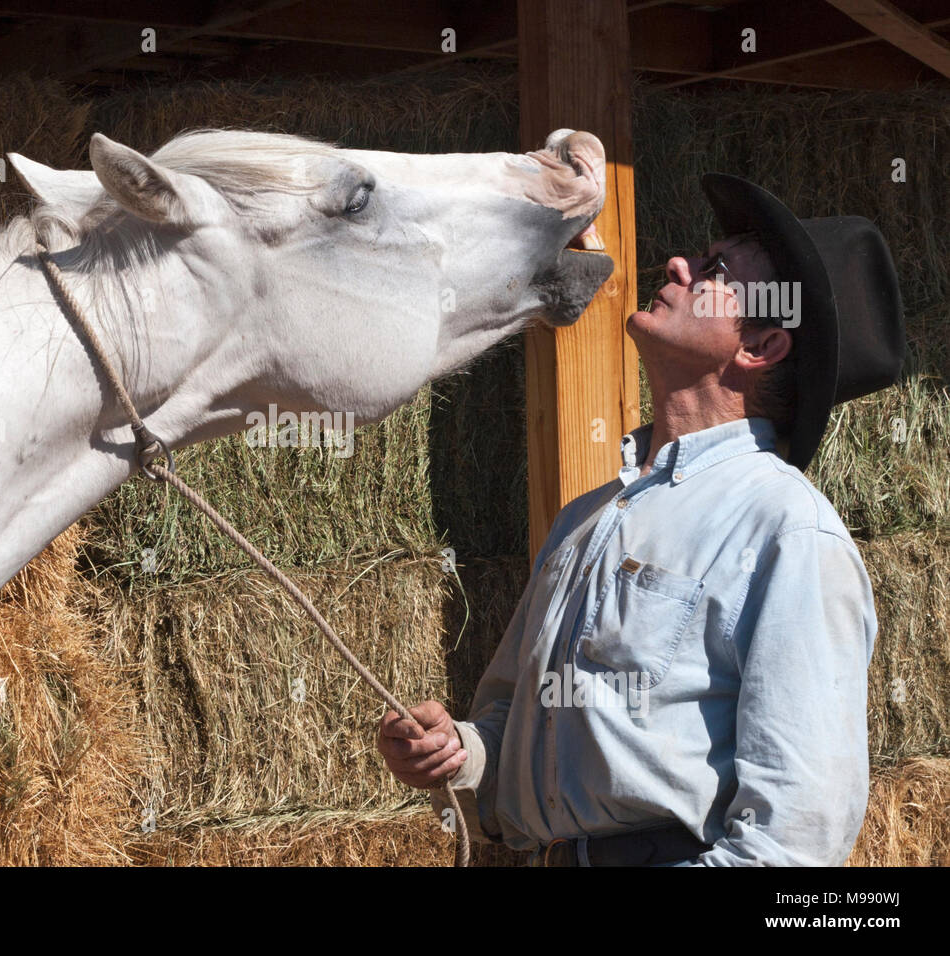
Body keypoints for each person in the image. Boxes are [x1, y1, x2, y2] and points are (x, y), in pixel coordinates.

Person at [377, 174, 906, 866]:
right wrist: (460, 753)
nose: (678, 265)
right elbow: (512, 722)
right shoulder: (585, 518)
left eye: (715, 271)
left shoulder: (785, 531)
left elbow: (797, 834)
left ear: (761, 348)